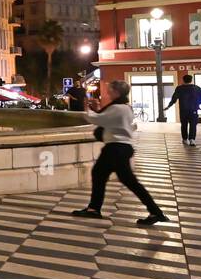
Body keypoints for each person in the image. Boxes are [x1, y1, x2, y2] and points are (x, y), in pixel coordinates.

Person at [72, 79, 169, 225]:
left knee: (110, 176)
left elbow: (97, 119)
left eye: (110, 89)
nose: (108, 91)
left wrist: (87, 108)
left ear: (117, 92)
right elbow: (107, 119)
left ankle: (95, 208)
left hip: (115, 148)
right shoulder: (125, 107)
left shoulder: (117, 108)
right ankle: (155, 211)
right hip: (121, 148)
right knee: (109, 176)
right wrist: (97, 108)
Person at [167, 74, 201, 145]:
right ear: (191, 80)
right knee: (193, 125)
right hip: (193, 109)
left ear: (183, 80)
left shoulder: (179, 88)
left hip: (183, 110)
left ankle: (185, 139)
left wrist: (169, 106)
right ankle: (192, 139)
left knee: (184, 124)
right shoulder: (196, 88)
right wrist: (198, 103)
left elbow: (174, 98)